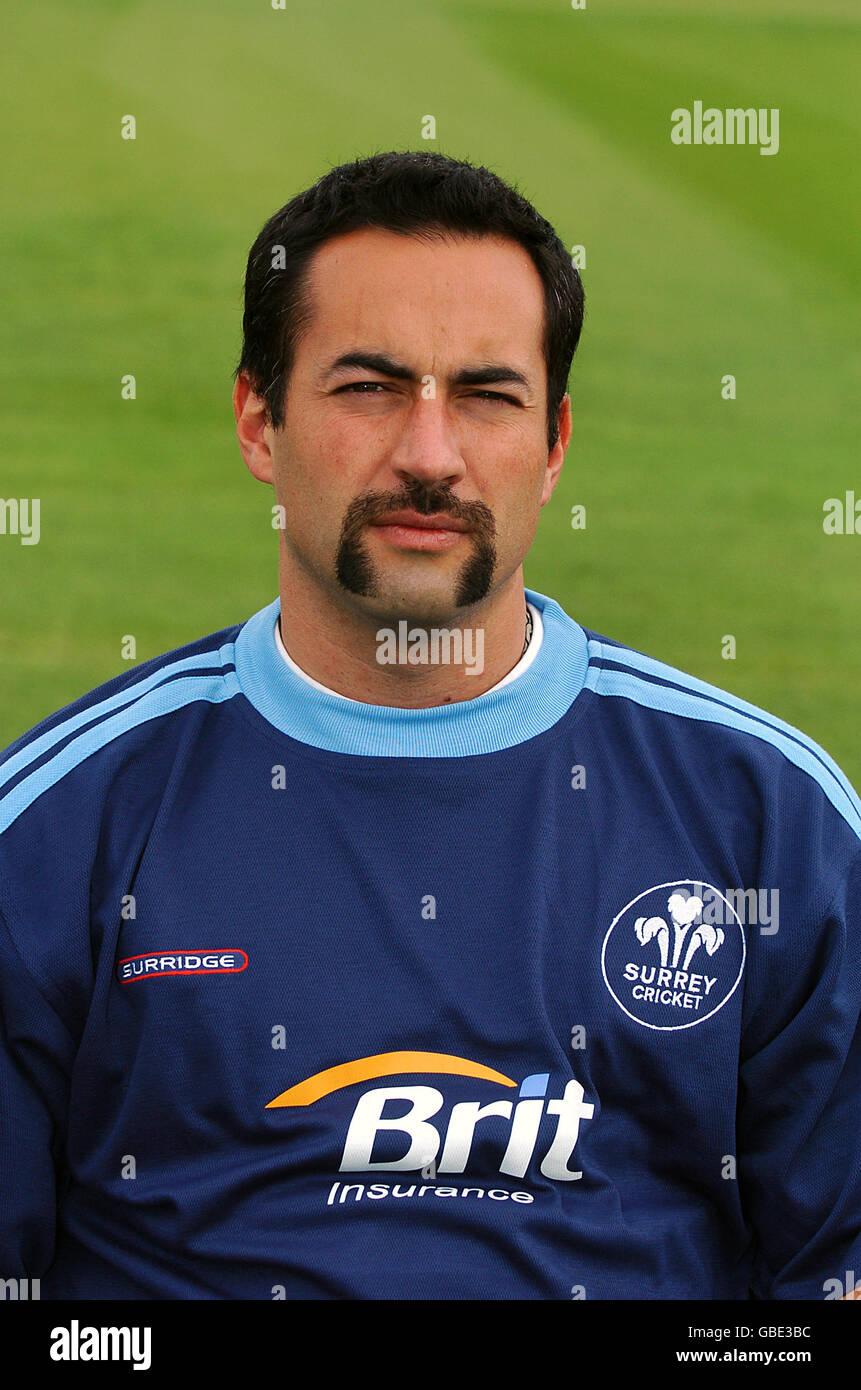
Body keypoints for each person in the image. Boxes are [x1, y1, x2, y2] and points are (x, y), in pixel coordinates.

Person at [1, 151, 858, 1301]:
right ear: (260, 421)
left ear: (553, 446)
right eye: (368, 387)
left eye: (488, 396)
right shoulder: (61, 825)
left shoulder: (770, 820)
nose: (430, 455)